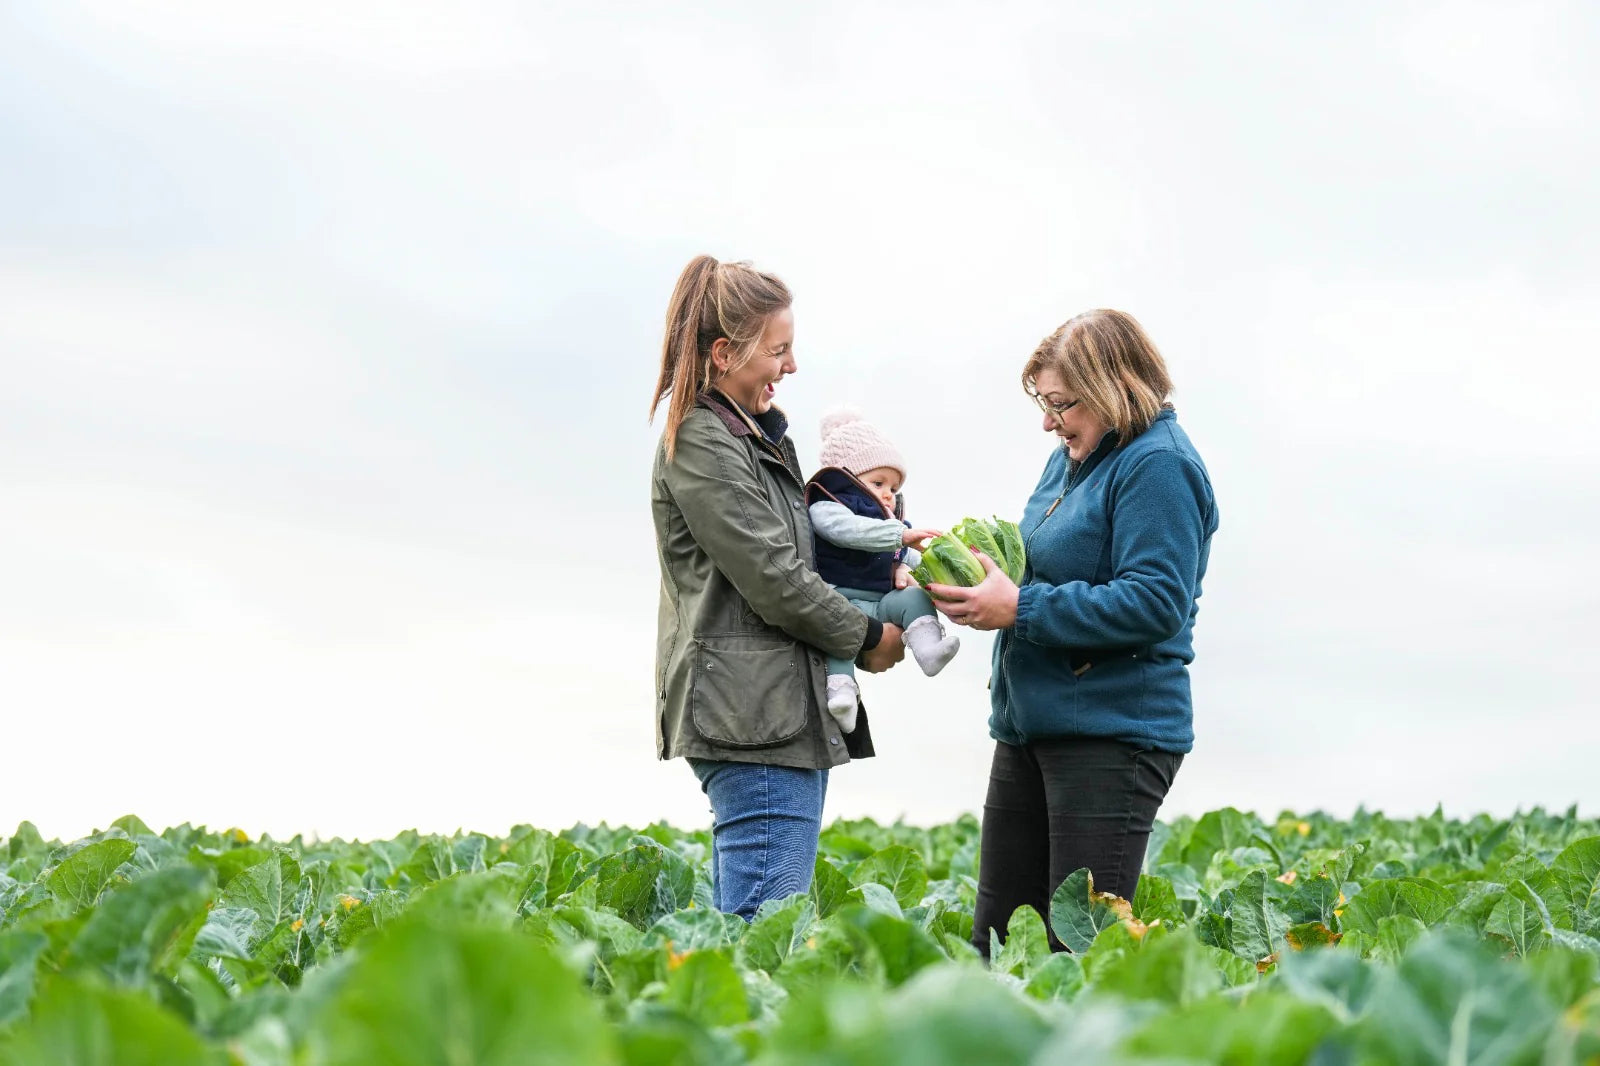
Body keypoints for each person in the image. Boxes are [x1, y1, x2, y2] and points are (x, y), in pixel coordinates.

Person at [926, 309, 1219, 958]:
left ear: (1115, 387)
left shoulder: (1159, 466)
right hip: (1033, 726)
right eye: (1045, 403)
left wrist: (1019, 610)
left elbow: (1156, 601)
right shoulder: (1071, 460)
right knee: (997, 944)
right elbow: (1038, 569)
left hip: (1111, 736)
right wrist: (963, 564)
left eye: (1062, 404)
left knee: (1076, 953)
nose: (1049, 421)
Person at [648, 254, 905, 921]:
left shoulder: (750, 438)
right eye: (779, 350)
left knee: (761, 929)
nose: (790, 367)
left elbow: (806, 563)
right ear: (727, 353)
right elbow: (774, 578)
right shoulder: (704, 439)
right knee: (764, 937)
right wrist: (869, 636)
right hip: (751, 718)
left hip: (775, 712)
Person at [803, 408, 960, 732]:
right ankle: (842, 691)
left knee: (915, 599)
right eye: (878, 482)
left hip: (882, 601)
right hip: (841, 598)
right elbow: (846, 531)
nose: (889, 492)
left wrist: (931, 568)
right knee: (837, 634)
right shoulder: (829, 506)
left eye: (894, 486)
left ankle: (928, 649)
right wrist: (898, 535)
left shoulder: (892, 522)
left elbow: (911, 558)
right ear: (848, 478)